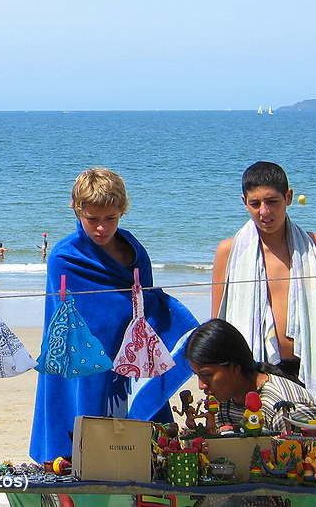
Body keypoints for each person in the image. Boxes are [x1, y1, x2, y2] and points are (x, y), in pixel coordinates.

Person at [29, 168, 198, 462]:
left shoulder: (134, 250)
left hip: (131, 357)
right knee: (85, 445)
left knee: (142, 450)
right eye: (92, 219)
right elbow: (72, 322)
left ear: (122, 211)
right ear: (76, 210)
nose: (101, 228)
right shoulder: (63, 257)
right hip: (88, 360)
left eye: (111, 218)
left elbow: (146, 306)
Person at [212, 161, 316, 406]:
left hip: (304, 368)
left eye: (272, 202)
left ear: (288, 197)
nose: (264, 212)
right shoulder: (229, 250)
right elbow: (218, 322)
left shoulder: (312, 245)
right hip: (255, 372)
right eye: (255, 203)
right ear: (244, 202)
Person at [186, 319, 316, 432]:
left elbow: (310, 457)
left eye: (207, 375)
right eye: (197, 375)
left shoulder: (284, 407)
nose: (201, 385)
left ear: (235, 367)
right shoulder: (223, 401)